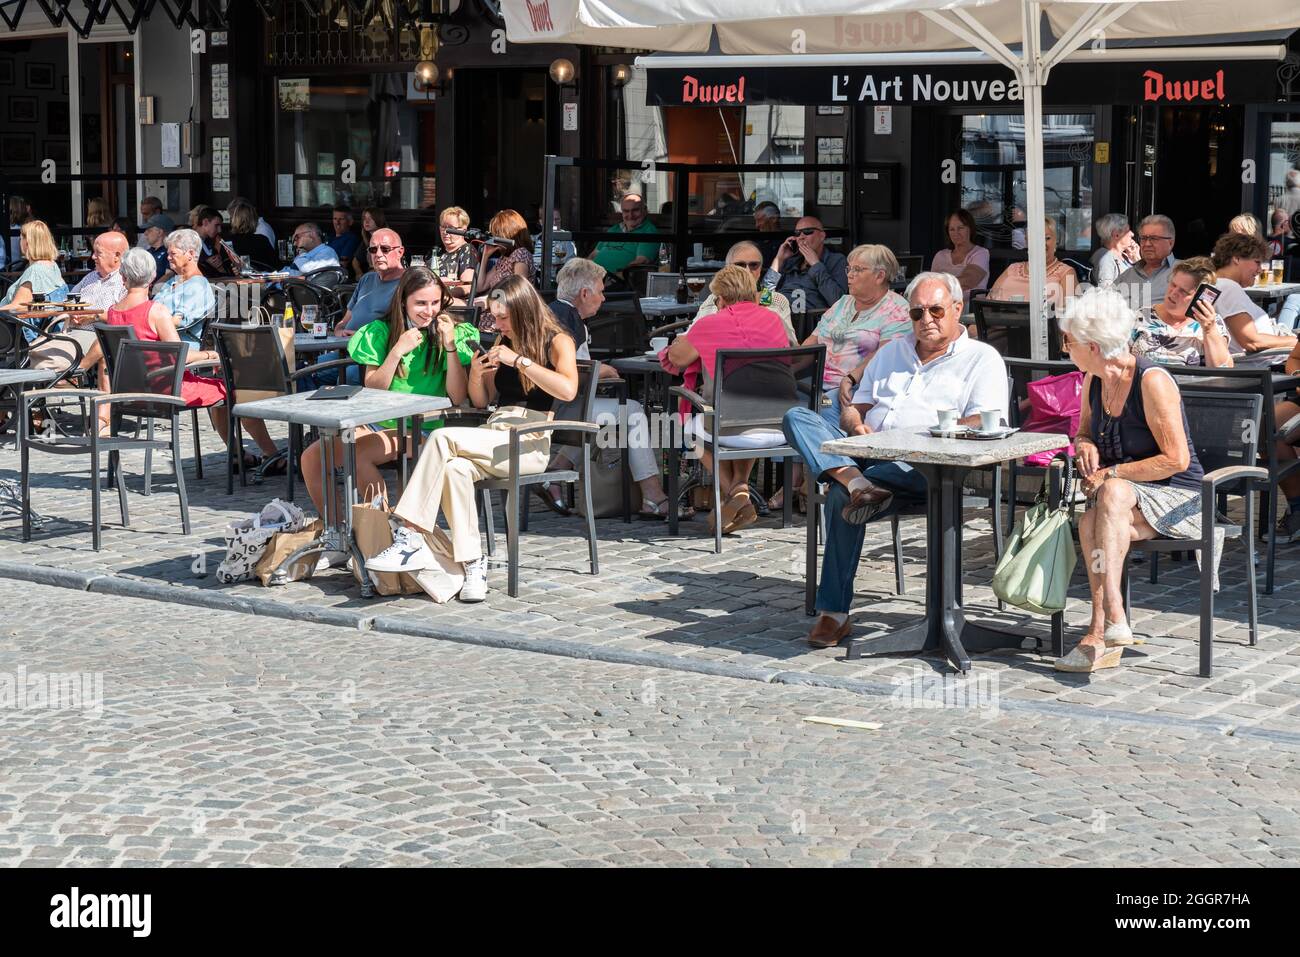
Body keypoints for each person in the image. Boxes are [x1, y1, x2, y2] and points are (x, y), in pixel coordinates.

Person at [781, 272, 1008, 649]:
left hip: (926, 465)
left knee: (840, 497)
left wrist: (927, 435)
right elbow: (857, 408)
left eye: (935, 310)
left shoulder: (980, 359)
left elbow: (985, 421)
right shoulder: (892, 351)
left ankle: (833, 613)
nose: (926, 320)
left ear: (957, 308)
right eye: (917, 313)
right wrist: (854, 422)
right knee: (798, 418)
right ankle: (857, 482)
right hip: (866, 454)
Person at [366, 276, 581, 602]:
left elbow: (567, 389)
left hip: (530, 438)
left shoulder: (557, 340)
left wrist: (520, 362)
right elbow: (481, 402)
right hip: (494, 431)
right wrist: (479, 375)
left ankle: (409, 532)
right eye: (494, 316)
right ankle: (473, 566)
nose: (497, 324)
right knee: (455, 470)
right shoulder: (502, 342)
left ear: (523, 310)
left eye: (503, 317)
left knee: (440, 438)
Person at [1055, 287, 1209, 673]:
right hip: (1121, 505)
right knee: (1092, 519)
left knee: (1110, 494)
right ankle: (1105, 625)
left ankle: (1105, 620)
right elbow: (1084, 433)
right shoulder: (1093, 380)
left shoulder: (1151, 380)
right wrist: (1085, 444)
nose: (1064, 349)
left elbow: (1176, 459)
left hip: (1180, 499)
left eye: (1067, 341)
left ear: (1091, 345)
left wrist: (1111, 472)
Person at [301, 268, 480, 565]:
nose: (430, 311)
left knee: (357, 455)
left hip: (426, 426)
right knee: (311, 457)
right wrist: (396, 351)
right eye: (421, 304)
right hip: (379, 421)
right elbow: (374, 388)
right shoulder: (381, 332)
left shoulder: (453, 333)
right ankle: (340, 534)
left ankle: (381, 538)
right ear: (404, 302)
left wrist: (448, 346)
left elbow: (458, 397)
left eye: (435, 303)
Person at [95, 248, 277, 462]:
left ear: (123, 276)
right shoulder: (155, 311)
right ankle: (268, 453)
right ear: (153, 277)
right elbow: (181, 355)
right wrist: (212, 355)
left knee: (220, 389)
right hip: (167, 389)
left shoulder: (114, 312)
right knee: (233, 389)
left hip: (132, 391)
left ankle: (239, 454)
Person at [661, 265, 792, 536]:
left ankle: (731, 491)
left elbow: (676, 359)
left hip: (730, 427)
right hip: (780, 427)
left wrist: (677, 344)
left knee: (692, 426)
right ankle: (741, 488)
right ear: (753, 295)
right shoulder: (773, 320)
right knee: (747, 410)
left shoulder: (708, 324)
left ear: (719, 298)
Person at [539, 257, 674, 518]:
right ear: (584, 293)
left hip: (547, 406)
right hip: (559, 409)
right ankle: (654, 495)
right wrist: (602, 371)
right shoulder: (569, 320)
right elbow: (574, 370)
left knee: (603, 417)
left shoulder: (554, 311)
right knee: (632, 412)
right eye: (600, 292)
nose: (603, 299)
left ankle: (554, 474)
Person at [805, 244, 913, 431]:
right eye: (849, 269)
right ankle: (798, 461)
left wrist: (851, 378)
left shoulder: (897, 309)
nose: (849, 275)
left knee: (820, 407)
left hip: (857, 388)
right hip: (815, 383)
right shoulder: (843, 303)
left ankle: (835, 459)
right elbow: (811, 344)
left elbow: (884, 354)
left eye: (858, 269)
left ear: (879, 276)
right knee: (780, 401)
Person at [27, 231, 130, 375]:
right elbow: (69, 300)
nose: (92, 257)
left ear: (117, 256)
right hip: (69, 331)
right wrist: (71, 311)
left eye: (98, 253)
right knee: (36, 349)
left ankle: (62, 384)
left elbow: (126, 317)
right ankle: (54, 386)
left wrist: (92, 317)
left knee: (51, 358)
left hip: (97, 336)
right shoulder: (90, 277)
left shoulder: (124, 281)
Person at [1131, 257, 1232, 369]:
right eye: (1173, 285)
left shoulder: (1212, 323)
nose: (1173, 293)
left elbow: (1224, 368)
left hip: (1195, 385)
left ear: (1200, 297)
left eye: (1183, 291)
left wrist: (1209, 329)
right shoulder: (1141, 316)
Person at [691, 242, 797, 346]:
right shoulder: (715, 298)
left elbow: (792, 345)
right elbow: (689, 336)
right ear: (727, 269)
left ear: (760, 268)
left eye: (754, 265)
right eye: (740, 265)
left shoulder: (772, 298)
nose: (747, 271)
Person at [1210, 231, 1297, 355]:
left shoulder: (1220, 284)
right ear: (1236, 258)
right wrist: (1295, 341)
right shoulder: (1228, 288)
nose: (1260, 270)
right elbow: (1251, 341)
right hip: (1265, 366)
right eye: (1257, 262)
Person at [762, 215, 849, 313]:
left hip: (811, 323)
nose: (801, 237)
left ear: (822, 236)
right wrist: (779, 259)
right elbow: (765, 298)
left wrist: (816, 265)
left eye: (808, 232)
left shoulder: (836, 260)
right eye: (797, 233)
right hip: (780, 319)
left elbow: (838, 302)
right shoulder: (790, 262)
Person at [988, 217, 1078, 311]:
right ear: (1027, 242)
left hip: (1043, 326)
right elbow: (988, 303)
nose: (1041, 243)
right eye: (1035, 238)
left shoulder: (1066, 272)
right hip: (999, 324)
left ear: (1056, 242)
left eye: (1047, 238)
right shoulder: (1012, 268)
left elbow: (1068, 315)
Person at [151, 229, 216, 345]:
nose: (168, 258)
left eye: (173, 253)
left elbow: (178, 321)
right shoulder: (172, 282)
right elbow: (152, 308)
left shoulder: (198, 285)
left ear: (190, 254)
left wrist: (147, 326)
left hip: (179, 349)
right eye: (168, 253)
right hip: (158, 343)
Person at [336, 228, 405, 335]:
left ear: (400, 252)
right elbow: (344, 322)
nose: (378, 254)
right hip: (344, 345)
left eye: (385, 249)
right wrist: (339, 331)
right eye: (373, 250)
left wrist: (360, 337)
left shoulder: (408, 283)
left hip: (375, 350)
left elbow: (404, 331)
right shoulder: (366, 279)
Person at [0, 221, 67, 324]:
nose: (19, 241)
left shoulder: (35, 271)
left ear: (27, 242)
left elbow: (18, 307)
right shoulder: (52, 266)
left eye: (21, 238)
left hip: (12, 332)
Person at [590, 192, 659, 284]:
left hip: (613, 282)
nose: (630, 215)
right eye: (626, 211)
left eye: (635, 210)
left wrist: (613, 278)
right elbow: (593, 255)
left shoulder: (649, 231)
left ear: (645, 210)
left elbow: (640, 263)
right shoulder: (614, 229)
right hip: (591, 278)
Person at [929, 209, 989, 308]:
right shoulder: (940, 255)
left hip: (971, 312)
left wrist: (938, 287)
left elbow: (968, 281)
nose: (955, 233)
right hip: (940, 308)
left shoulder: (981, 253)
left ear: (970, 229)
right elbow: (930, 284)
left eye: (960, 228)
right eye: (951, 229)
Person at [1116, 214, 1178, 307]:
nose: (1147, 244)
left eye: (1154, 238)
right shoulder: (1127, 275)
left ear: (1170, 243)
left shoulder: (1185, 273)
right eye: (1143, 238)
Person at [476, 209, 535, 304]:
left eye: (496, 234)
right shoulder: (503, 259)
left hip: (507, 312)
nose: (494, 238)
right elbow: (480, 287)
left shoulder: (520, 254)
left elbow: (518, 291)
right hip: (495, 308)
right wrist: (485, 256)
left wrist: (488, 301)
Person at [435, 206, 478, 303]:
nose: (445, 232)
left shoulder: (467, 249)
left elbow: (468, 286)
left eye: (451, 228)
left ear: (463, 230)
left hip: (451, 304)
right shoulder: (436, 253)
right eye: (443, 227)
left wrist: (441, 295)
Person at [226, 200, 279, 270]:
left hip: (233, 279)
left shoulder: (227, 242)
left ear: (233, 220)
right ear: (254, 220)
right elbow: (276, 265)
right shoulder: (261, 240)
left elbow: (225, 266)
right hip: (260, 279)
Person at [191, 206, 241, 279]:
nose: (219, 230)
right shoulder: (189, 240)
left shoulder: (210, 241)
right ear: (205, 222)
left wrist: (220, 266)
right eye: (217, 225)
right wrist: (206, 264)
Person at [1091, 213, 1138, 288]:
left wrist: (1136, 259)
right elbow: (1106, 292)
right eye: (1128, 230)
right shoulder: (1106, 258)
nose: (1132, 234)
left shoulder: (1126, 255)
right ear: (1116, 235)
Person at [350, 207, 387, 279]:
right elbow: (355, 261)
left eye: (370, 218)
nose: (366, 221)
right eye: (364, 218)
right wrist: (359, 273)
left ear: (378, 220)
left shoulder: (386, 238)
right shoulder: (367, 238)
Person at [140, 215, 172, 281]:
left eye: (149, 230)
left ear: (160, 232)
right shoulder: (146, 252)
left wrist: (154, 289)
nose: (145, 233)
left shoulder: (170, 253)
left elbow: (169, 275)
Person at [752, 200, 784, 264]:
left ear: (773, 219)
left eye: (759, 220)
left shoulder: (785, 244)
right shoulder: (757, 242)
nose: (756, 225)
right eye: (756, 221)